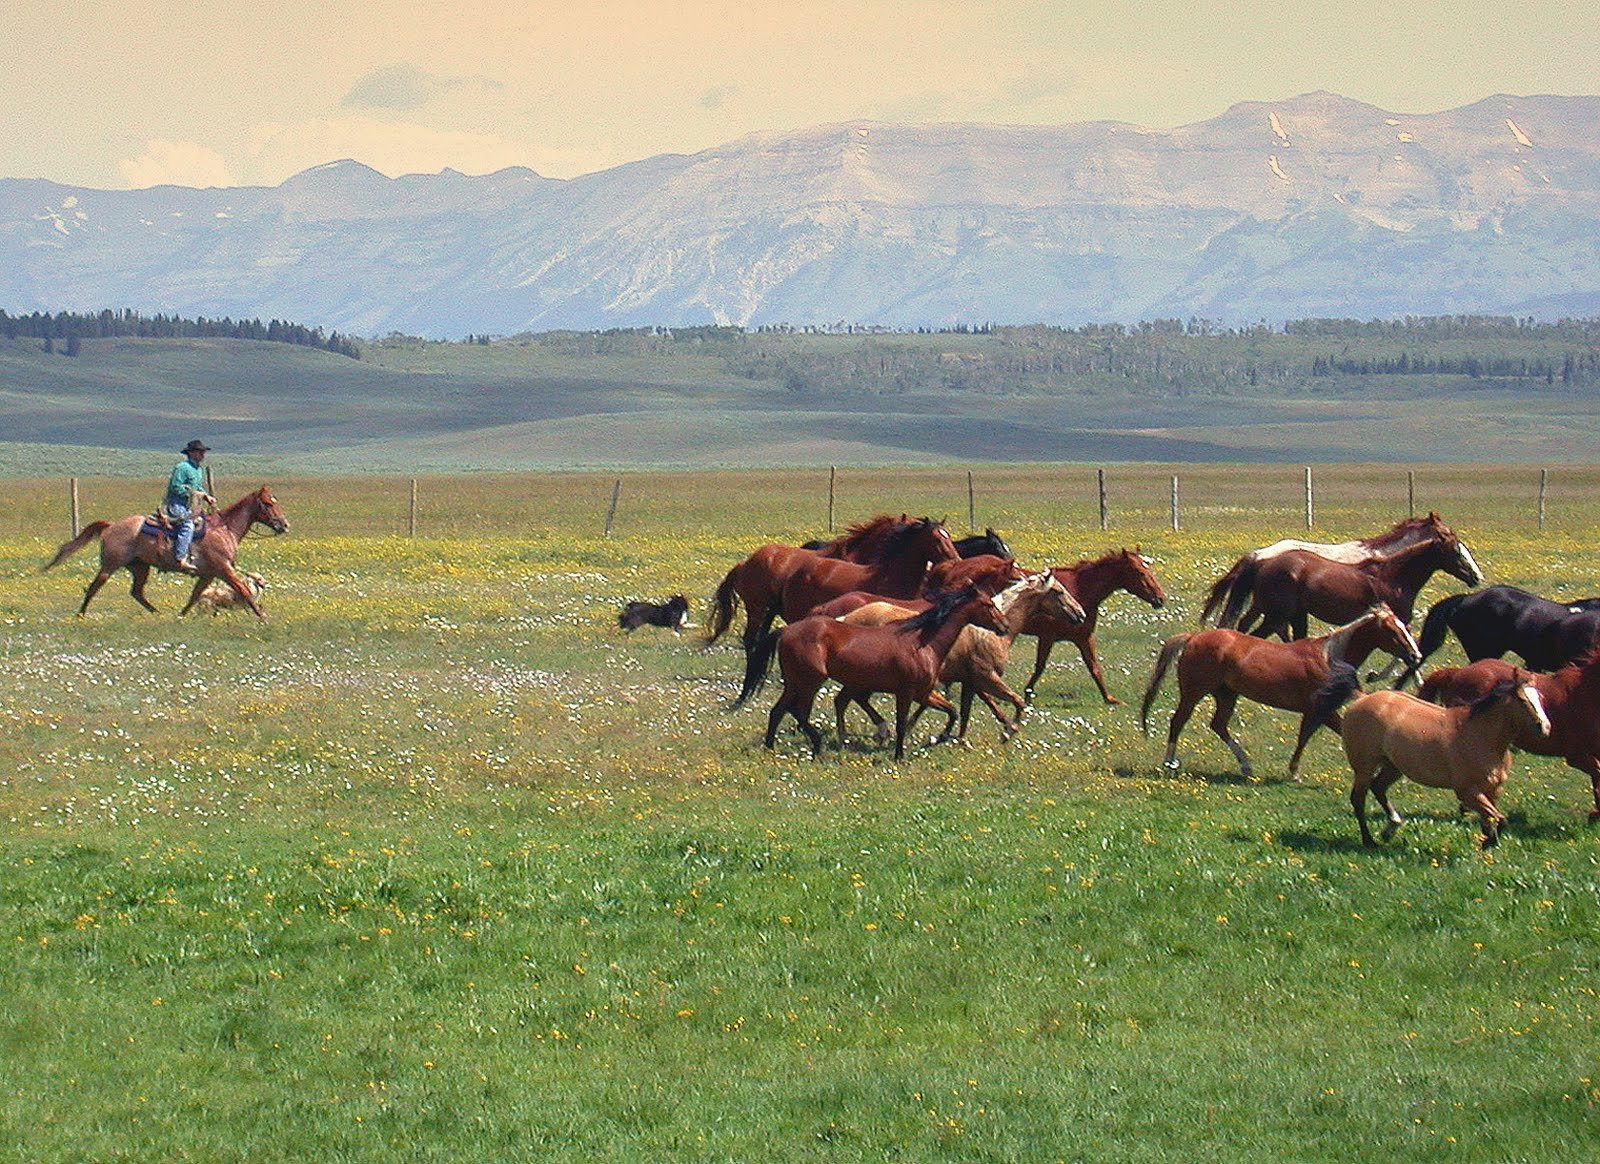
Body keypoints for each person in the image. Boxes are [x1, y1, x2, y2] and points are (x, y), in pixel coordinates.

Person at [164, 439, 216, 573]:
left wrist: (206, 496)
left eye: (203, 452)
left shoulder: (198, 470)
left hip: (190, 506)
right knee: (187, 525)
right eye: (200, 452)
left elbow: (197, 486)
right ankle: (180, 558)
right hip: (177, 505)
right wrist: (193, 493)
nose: (203, 455)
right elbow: (175, 487)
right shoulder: (182, 467)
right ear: (191, 453)